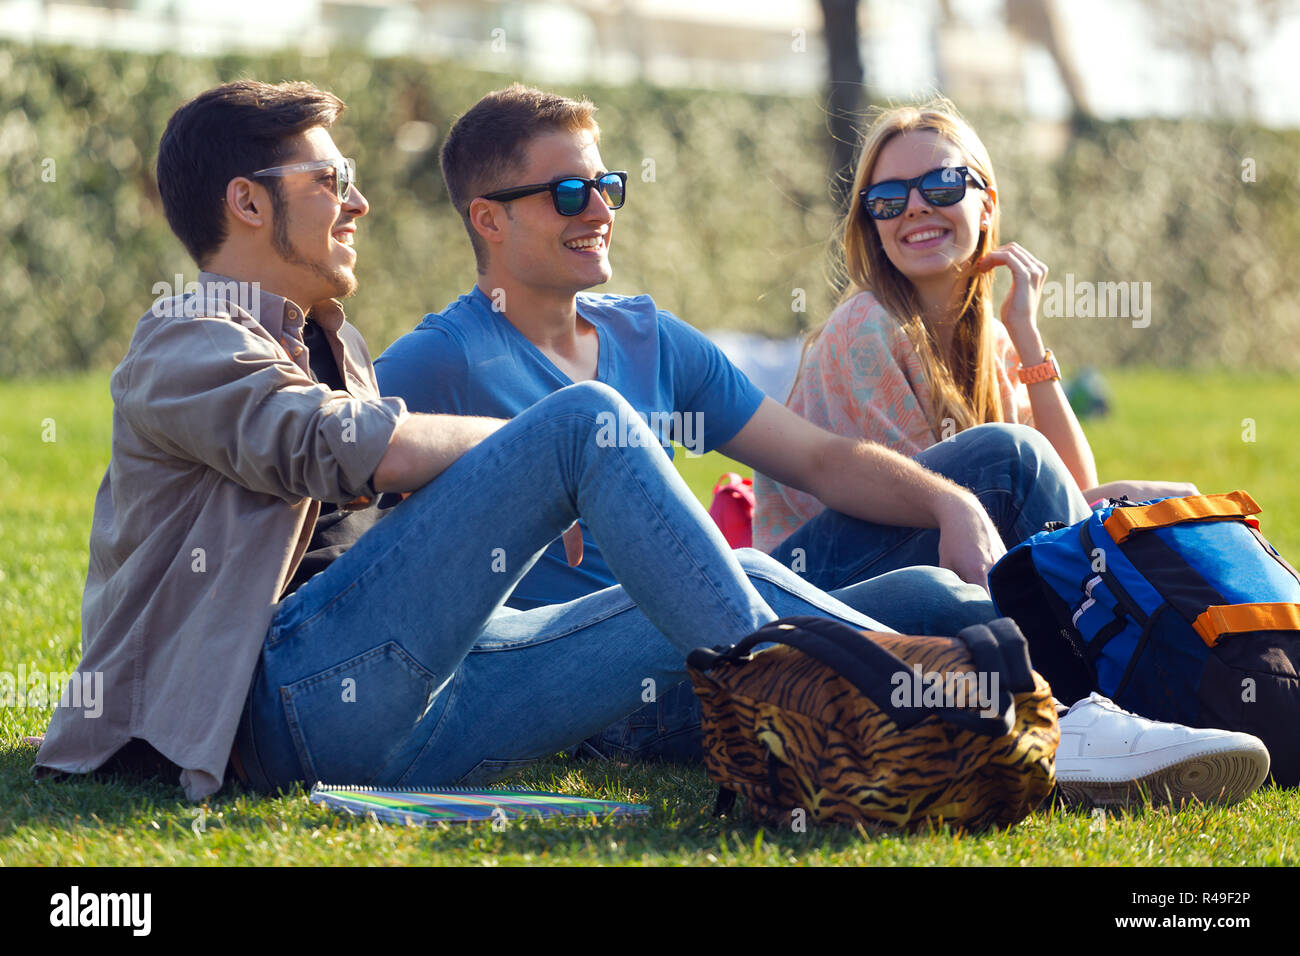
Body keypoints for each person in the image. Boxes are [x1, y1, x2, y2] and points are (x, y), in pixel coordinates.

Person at [373, 86, 1268, 805]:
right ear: (489, 220)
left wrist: (948, 500)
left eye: (608, 188)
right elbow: (339, 465)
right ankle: (1072, 726)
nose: (599, 209)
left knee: (1001, 461)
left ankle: (1156, 692)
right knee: (928, 595)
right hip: (624, 685)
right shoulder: (442, 355)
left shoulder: (647, 335)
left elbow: (820, 460)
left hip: (729, 607)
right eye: (571, 193)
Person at [31, 79, 912, 802]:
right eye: (331, 181)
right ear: (248, 200)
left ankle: (958, 701)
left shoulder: (327, 337)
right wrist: (536, 454)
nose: (359, 203)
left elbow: (379, 508)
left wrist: (503, 498)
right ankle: (813, 743)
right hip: (278, 707)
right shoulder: (188, 335)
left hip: (409, 710)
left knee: (751, 575)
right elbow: (345, 448)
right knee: (586, 419)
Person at [753, 97, 1197, 554]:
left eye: (941, 185)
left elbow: (1067, 490)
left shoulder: (996, 340)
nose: (915, 207)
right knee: (1022, 463)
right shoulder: (864, 327)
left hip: (928, 555)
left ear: (986, 205)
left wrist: (1026, 336)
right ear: (874, 225)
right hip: (825, 586)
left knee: (1162, 504)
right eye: (888, 198)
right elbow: (929, 513)